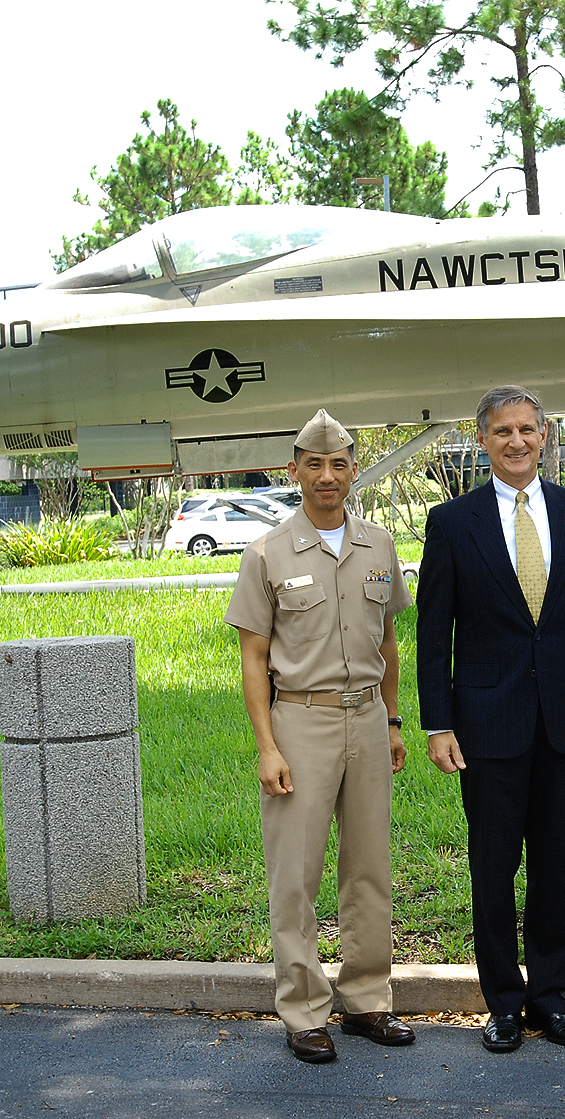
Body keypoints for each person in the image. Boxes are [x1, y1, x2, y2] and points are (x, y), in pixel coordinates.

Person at [415, 385, 565, 1054]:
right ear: (483, 439)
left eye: (528, 429)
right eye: (503, 431)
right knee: (493, 868)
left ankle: (550, 999)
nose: (518, 441)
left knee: (558, 865)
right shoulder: (451, 522)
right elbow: (432, 632)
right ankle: (502, 1002)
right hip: (484, 723)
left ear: (546, 433)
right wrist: (438, 724)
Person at [223, 408, 414, 1064]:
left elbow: (388, 641)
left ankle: (366, 1000)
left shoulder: (379, 546)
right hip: (299, 721)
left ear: (354, 471)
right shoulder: (267, 553)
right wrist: (267, 746)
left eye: (338, 464)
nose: (326, 476)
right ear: (295, 470)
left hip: (364, 718)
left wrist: (392, 721)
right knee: (295, 874)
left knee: (368, 867)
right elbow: (253, 659)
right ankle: (303, 1009)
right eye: (314, 464)